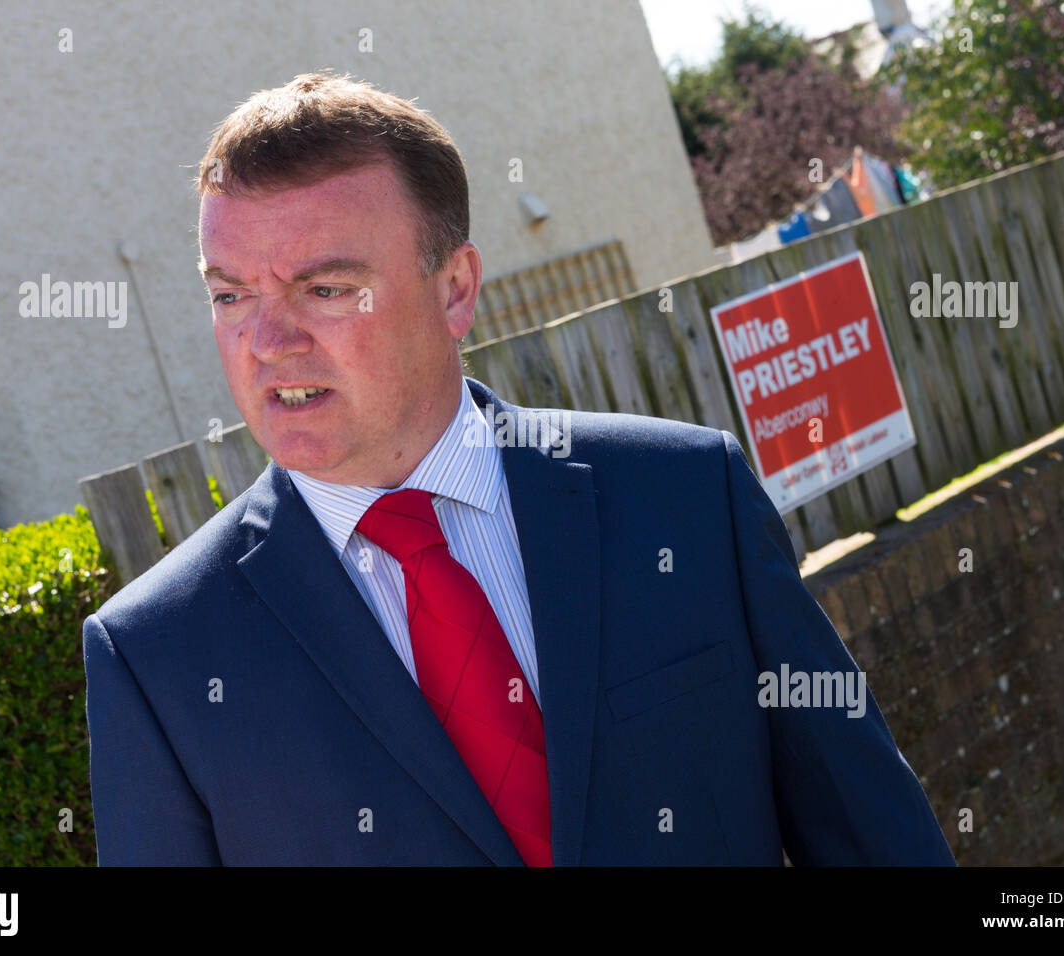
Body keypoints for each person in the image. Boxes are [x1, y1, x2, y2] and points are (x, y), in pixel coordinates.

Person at [82, 70, 955, 866]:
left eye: (325, 288)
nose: (267, 344)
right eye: (230, 294)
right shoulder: (157, 656)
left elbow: (872, 831)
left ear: (455, 289)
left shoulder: (685, 499)